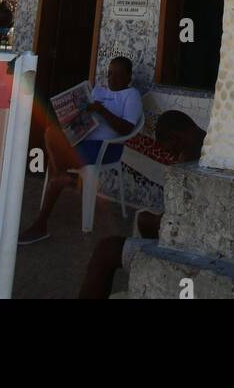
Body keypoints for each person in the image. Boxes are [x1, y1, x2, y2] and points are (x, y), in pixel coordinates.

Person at [77, 110, 205, 299]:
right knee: (144, 218)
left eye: (171, 150)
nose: (171, 156)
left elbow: (180, 223)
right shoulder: (207, 143)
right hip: (195, 237)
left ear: (176, 138)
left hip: (192, 246)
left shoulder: (189, 159)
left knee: (106, 249)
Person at [18, 56, 142, 245]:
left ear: (128, 77)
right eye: (109, 74)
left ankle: (41, 222)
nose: (111, 78)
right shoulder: (98, 91)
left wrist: (102, 111)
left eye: (117, 75)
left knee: (54, 163)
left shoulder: (131, 95)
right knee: (52, 131)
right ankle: (52, 196)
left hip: (104, 149)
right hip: (82, 139)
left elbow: (127, 129)